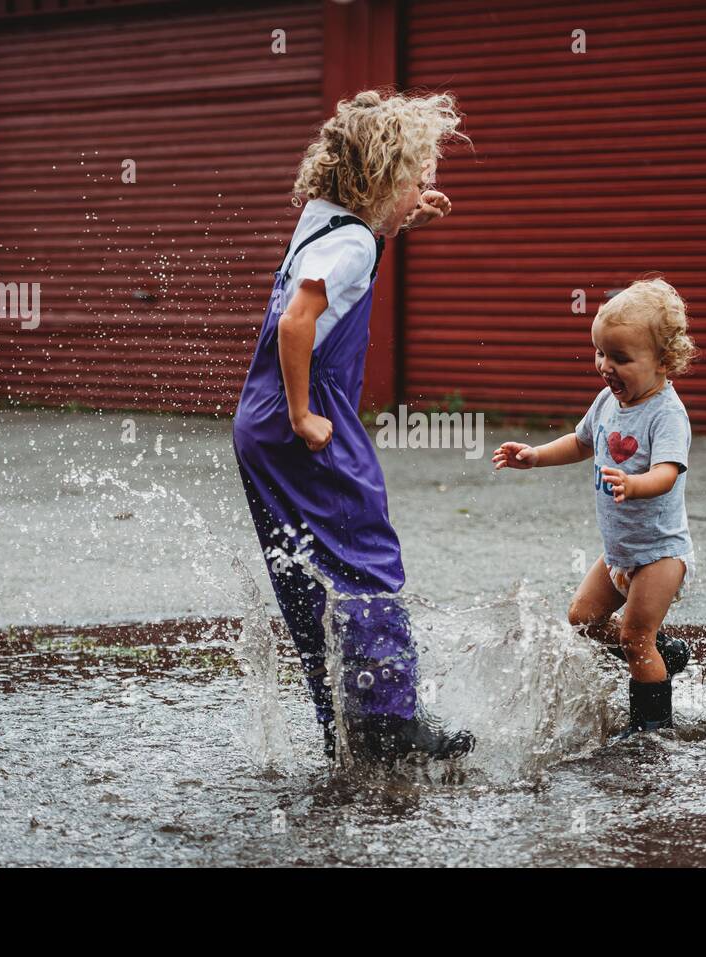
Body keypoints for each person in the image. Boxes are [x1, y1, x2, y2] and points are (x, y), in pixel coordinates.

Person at [232, 90, 474, 762]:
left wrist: (398, 223)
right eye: (413, 181)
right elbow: (297, 320)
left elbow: (333, 268)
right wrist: (307, 412)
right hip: (302, 416)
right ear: (376, 181)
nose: (423, 190)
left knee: (307, 573)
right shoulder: (355, 244)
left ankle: (342, 718)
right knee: (366, 552)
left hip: (257, 426)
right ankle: (392, 723)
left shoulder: (325, 221)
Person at [493, 278, 697, 734]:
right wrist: (536, 456)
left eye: (621, 358)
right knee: (582, 620)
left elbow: (667, 472)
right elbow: (582, 441)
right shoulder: (608, 400)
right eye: (601, 353)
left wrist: (636, 483)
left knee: (635, 637)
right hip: (619, 551)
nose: (606, 366)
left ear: (664, 361)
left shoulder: (666, 414)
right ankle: (665, 656)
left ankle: (652, 729)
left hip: (661, 554)